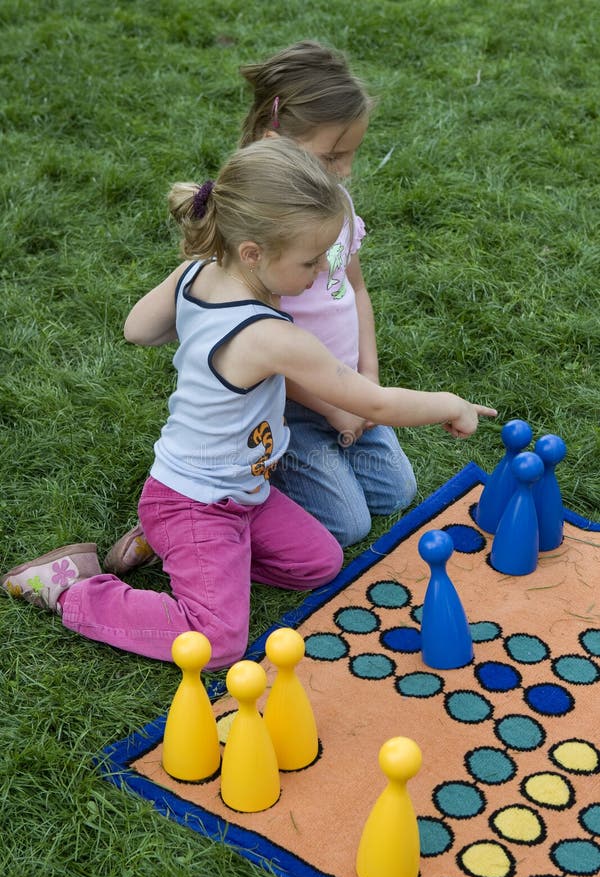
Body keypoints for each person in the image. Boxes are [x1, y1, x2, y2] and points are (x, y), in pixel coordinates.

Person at [2, 139, 496, 670]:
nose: (316, 278)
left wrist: (187, 283)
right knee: (216, 643)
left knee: (321, 562)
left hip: (243, 494)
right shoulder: (270, 335)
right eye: (309, 262)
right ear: (254, 252)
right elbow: (373, 402)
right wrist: (450, 403)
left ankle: (177, 552)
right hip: (192, 500)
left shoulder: (198, 272)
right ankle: (71, 589)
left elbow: (137, 330)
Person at [105, 40, 417, 568]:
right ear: (278, 142)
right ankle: (197, 516)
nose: (345, 172)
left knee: (395, 493)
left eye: (350, 155)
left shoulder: (331, 205)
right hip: (288, 407)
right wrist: (342, 406)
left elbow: (355, 288)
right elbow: (274, 356)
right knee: (348, 524)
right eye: (332, 156)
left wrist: (369, 379)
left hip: (347, 390)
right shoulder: (261, 252)